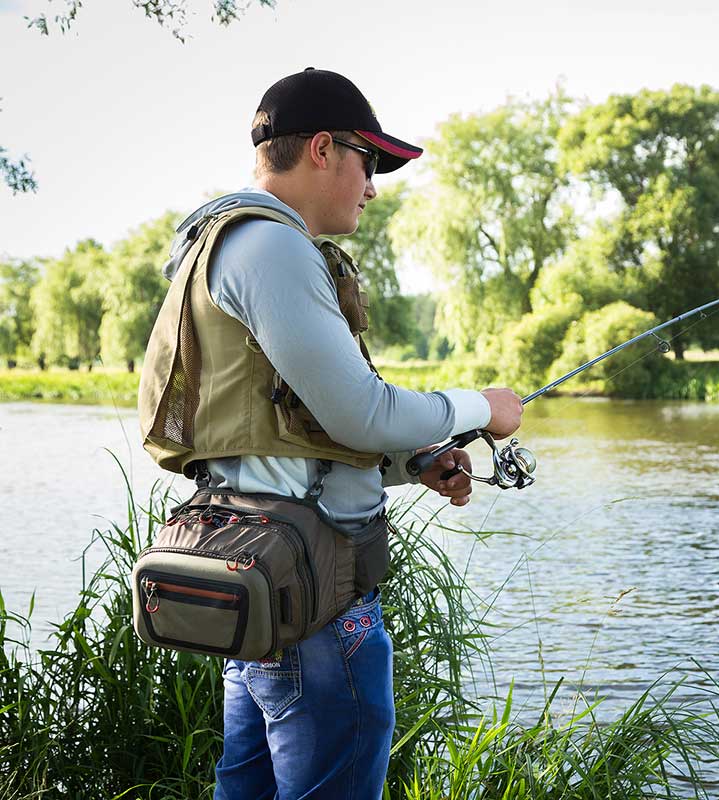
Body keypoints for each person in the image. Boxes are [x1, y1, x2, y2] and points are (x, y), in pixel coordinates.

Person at [142, 68, 523, 798]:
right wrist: (480, 408)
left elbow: (283, 435)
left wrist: (419, 461)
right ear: (323, 149)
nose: (373, 187)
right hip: (312, 606)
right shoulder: (271, 248)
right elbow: (361, 412)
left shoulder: (218, 243)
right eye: (368, 162)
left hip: (260, 580)